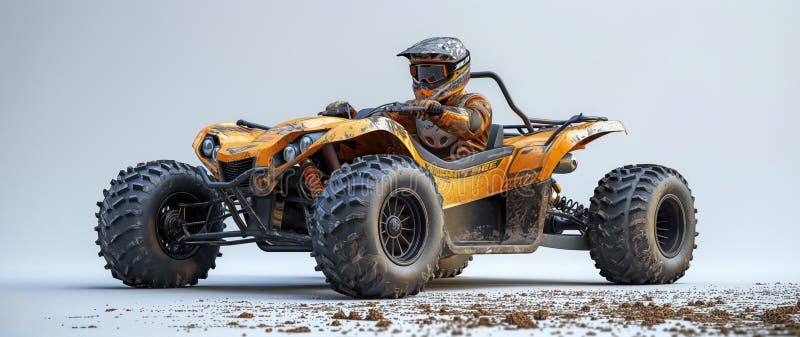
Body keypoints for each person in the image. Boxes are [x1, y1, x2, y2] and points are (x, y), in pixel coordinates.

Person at [325, 37, 492, 161]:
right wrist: (351, 120)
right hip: (425, 177)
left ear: (456, 71)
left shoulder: (474, 102)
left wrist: (439, 113)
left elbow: (473, 122)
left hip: (465, 176)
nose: (424, 81)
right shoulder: (416, 108)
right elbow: (383, 121)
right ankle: (326, 164)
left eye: (432, 74)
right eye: (418, 73)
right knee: (377, 137)